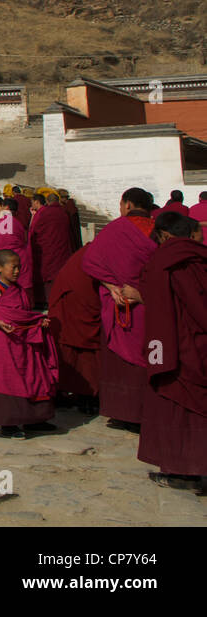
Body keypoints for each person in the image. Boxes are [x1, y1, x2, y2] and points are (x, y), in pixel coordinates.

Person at [137, 212, 207, 489]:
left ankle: (182, 472)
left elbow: (162, 307)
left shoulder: (165, 262)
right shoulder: (199, 259)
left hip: (175, 346)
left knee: (176, 406)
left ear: (165, 235)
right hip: (197, 343)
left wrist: (156, 353)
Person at [81, 187, 158, 431]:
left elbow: (91, 261)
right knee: (155, 357)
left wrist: (110, 285)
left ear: (126, 204)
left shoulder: (115, 229)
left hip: (122, 305)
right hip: (154, 306)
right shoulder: (160, 230)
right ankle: (154, 410)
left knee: (123, 361)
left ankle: (125, 412)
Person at [0, 249, 57, 438]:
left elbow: (24, 315)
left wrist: (38, 322)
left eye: (19, 267)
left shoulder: (20, 290)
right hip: (2, 343)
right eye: (13, 267)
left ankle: (33, 419)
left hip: (23, 342)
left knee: (30, 376)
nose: (17, 271)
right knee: (6, 379)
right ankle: (8, 424)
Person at [46, 245, 103, 412]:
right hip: (77, 294)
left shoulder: (107, 246)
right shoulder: (104, 249)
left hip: (81, 291)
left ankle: (76, 391)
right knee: (79, 342)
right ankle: (85, 393)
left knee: (74, 339)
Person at [29, 193, 75, 304]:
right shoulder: (64, 212)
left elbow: (34, 230)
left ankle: (45, 299)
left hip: (47, 248)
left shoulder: (44, 213)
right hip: (62, 247)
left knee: (47, 273)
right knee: (59, 272)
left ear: (48, 202)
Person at [0, 200, 34, 307]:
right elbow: (23, 240)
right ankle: (23, 304)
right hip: (17, 254)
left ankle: (7, 304)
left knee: (4, 280)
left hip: (2, 256)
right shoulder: (16, 222)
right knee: (21, 280)